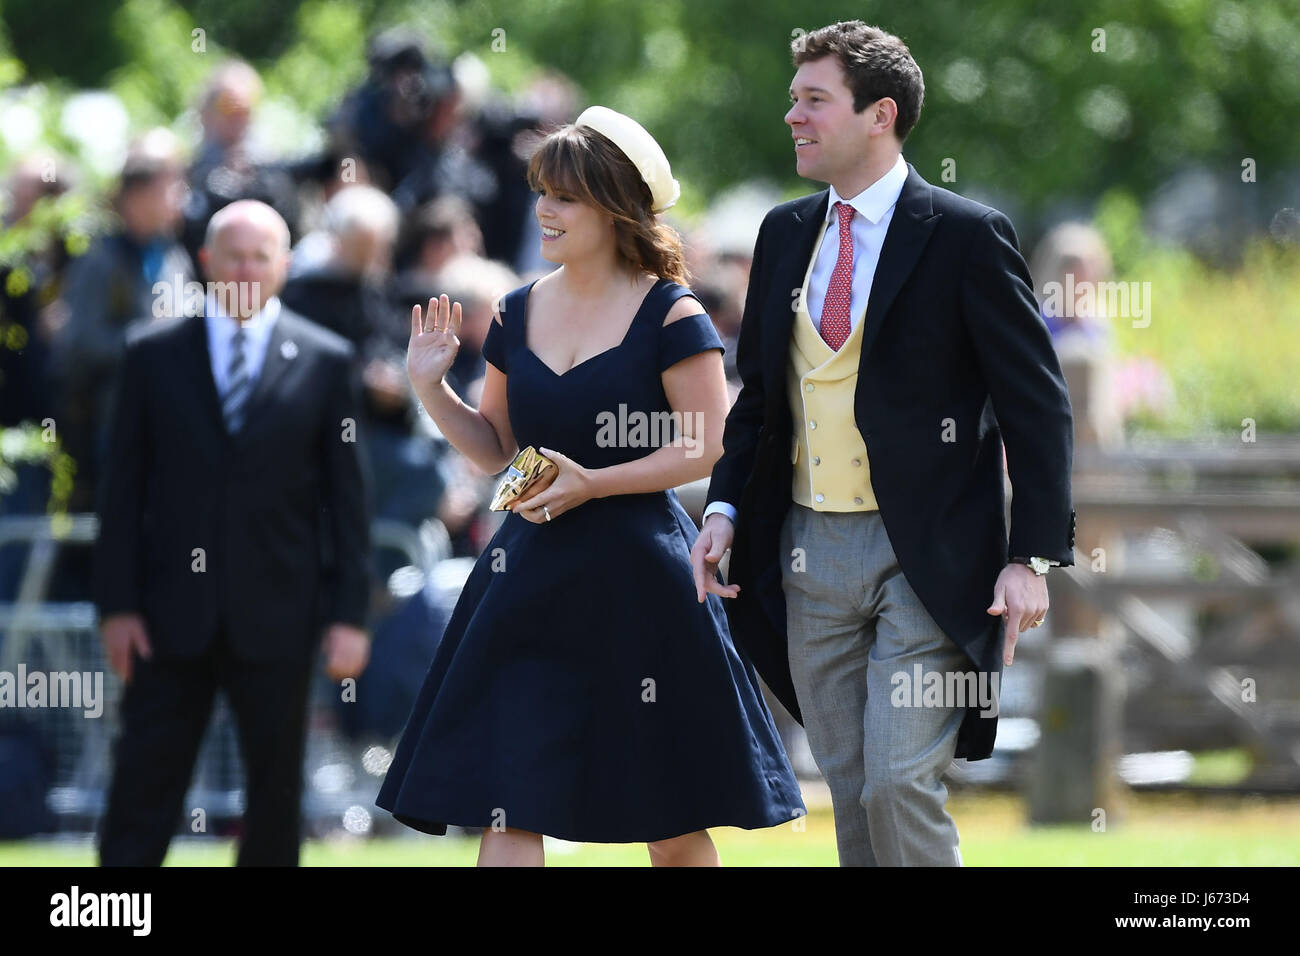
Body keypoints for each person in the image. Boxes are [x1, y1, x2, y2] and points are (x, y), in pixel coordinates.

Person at [375, 106, 805, 866]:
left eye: (565, 195)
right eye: (541, 191)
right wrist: (432, 391)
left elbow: (706, 446)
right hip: (527, 577)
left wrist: (595, 482)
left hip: (644, 584)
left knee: (670, 820)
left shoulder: (673, 310)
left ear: (615, 205)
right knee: (509, 808)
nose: (544, 209)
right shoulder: (513, 310)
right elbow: (495, 450)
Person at [690, 20, 1076, 866]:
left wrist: (1032, 556)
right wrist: (722, 506)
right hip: (805, 550)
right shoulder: (784, 233)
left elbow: (1036, 408)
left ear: (880, 114)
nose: (793, 116)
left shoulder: (968, 236)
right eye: (794, 99)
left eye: (814, 100)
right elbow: (760, 397)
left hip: (929, 557)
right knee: (854, 786)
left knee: (901, 780)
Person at [94, 200, 372, 866]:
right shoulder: (153, 353)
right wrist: (117, 606)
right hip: (167, 618)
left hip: (281, 613)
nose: (246, 269)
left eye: (261, 255)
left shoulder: (325, 359)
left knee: (276, 798)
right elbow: (121, 493)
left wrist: (350, 615)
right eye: (233, 255)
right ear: (206, 261)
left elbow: (348, 500)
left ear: (283, 265)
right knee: (143, 785)